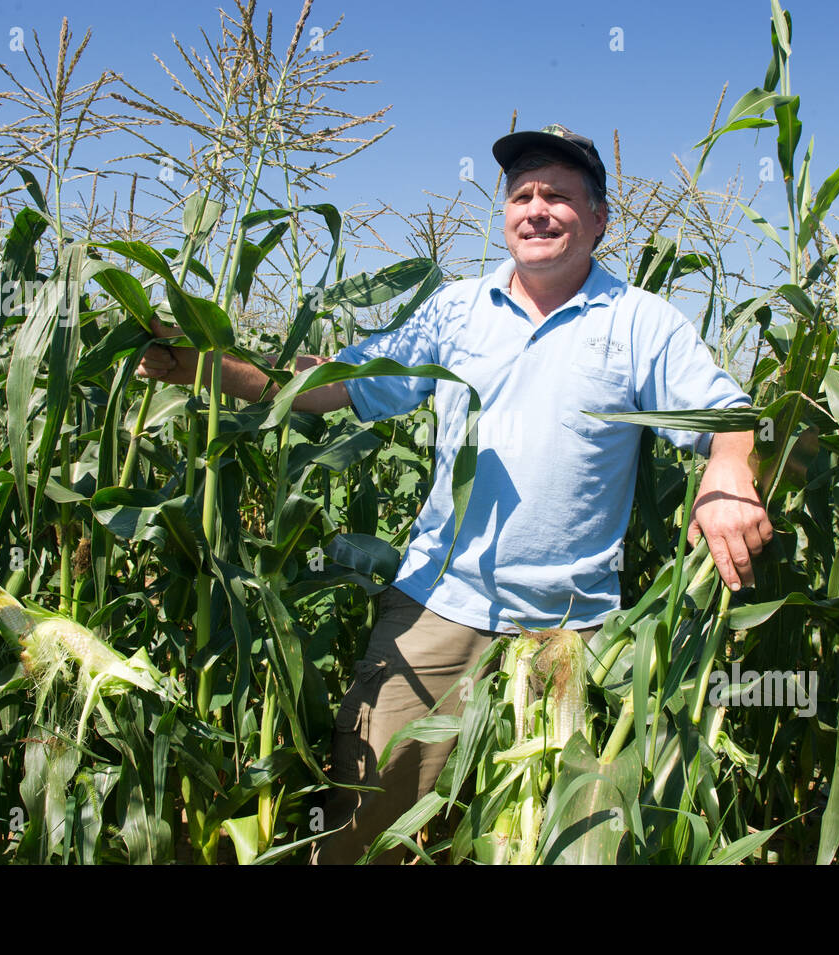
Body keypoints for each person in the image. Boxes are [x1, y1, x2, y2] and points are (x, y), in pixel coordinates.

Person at [140, 124, 773, 864]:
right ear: (505, 213)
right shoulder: (456, 309)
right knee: (360, 824)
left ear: (599, 218)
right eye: (523, 195)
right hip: (439, 609)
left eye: (560, 196)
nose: (537, 209)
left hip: (569, 633)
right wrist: (207, 366)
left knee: (547, 842)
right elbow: (331, 383)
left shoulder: (642, 323)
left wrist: (729, 471)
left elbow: (729, 416)